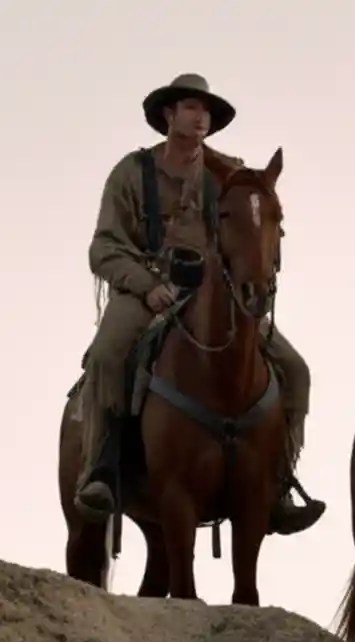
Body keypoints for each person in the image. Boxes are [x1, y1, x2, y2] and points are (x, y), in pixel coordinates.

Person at [74, 73, 325, 535]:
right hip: (145, 289)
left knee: (296, 368)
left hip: (214, 293)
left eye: (207, 111)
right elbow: (104, 248)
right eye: (191, 107)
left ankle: (281, 480)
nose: (201, 118)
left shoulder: (230, 172)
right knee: (109, 353)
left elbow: (255, 230)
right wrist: (147, 284)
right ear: (169, 115)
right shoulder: (132, 172)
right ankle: (102, 468)